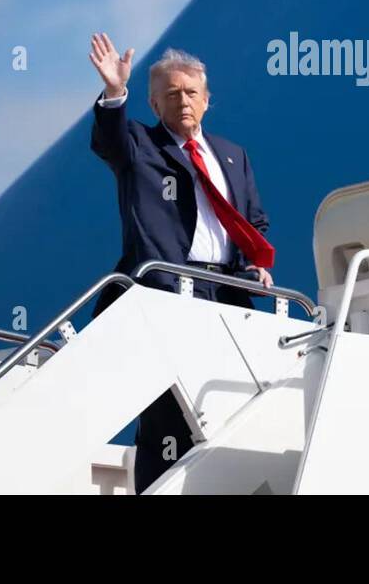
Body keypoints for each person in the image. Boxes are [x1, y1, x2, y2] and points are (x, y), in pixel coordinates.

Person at [86, 32, 275, 491]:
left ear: (207, 101)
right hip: (168, 292)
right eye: (171, 94)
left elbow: (254, 223)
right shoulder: (138, 144)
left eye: (191, 93)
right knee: (168, 416)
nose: (183, 101)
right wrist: (114, 93)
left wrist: (257, 264)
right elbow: (108, 142)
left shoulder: (233, 155)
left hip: (226, 296)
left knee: (233, 409)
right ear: (153, 104)